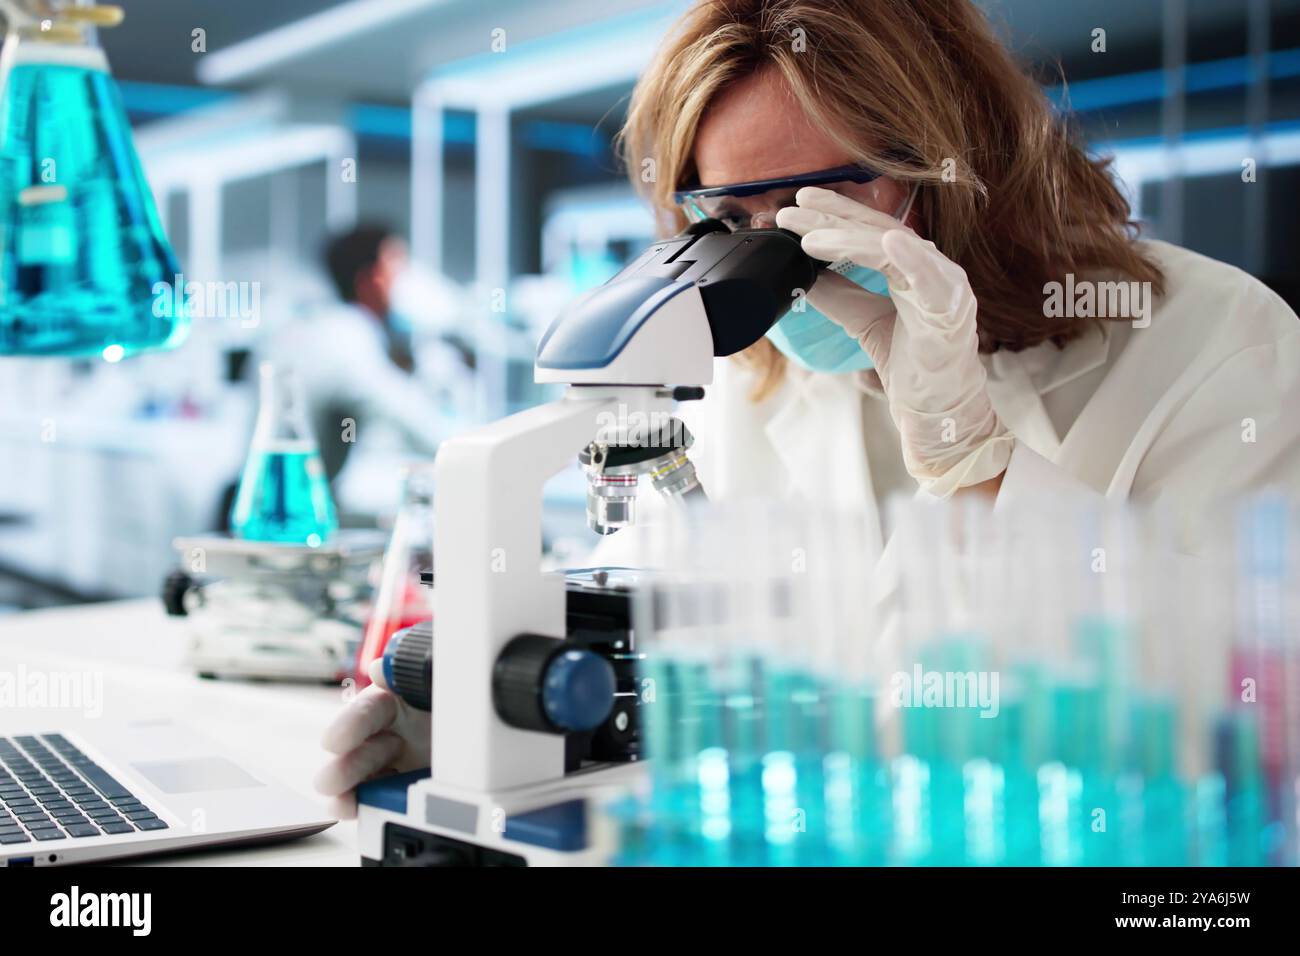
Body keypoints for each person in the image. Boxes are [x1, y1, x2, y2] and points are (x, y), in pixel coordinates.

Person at [315, 0, 1300, 815]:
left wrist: (974, 462)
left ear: (959, 167)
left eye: (821, 203)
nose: (783, 259)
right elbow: (696, 685)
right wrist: (493, 726)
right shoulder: (747, 385)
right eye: (737, 222)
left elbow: (1222, 746)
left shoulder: (1215, 346)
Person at [265, 225, 465, 504]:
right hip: (279, 507)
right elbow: (404, 412)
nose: (408, 279)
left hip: (286, 498)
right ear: (368, 281)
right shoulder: (344, 335)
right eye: (397, 265)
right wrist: (479, 454)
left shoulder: (329, 326)